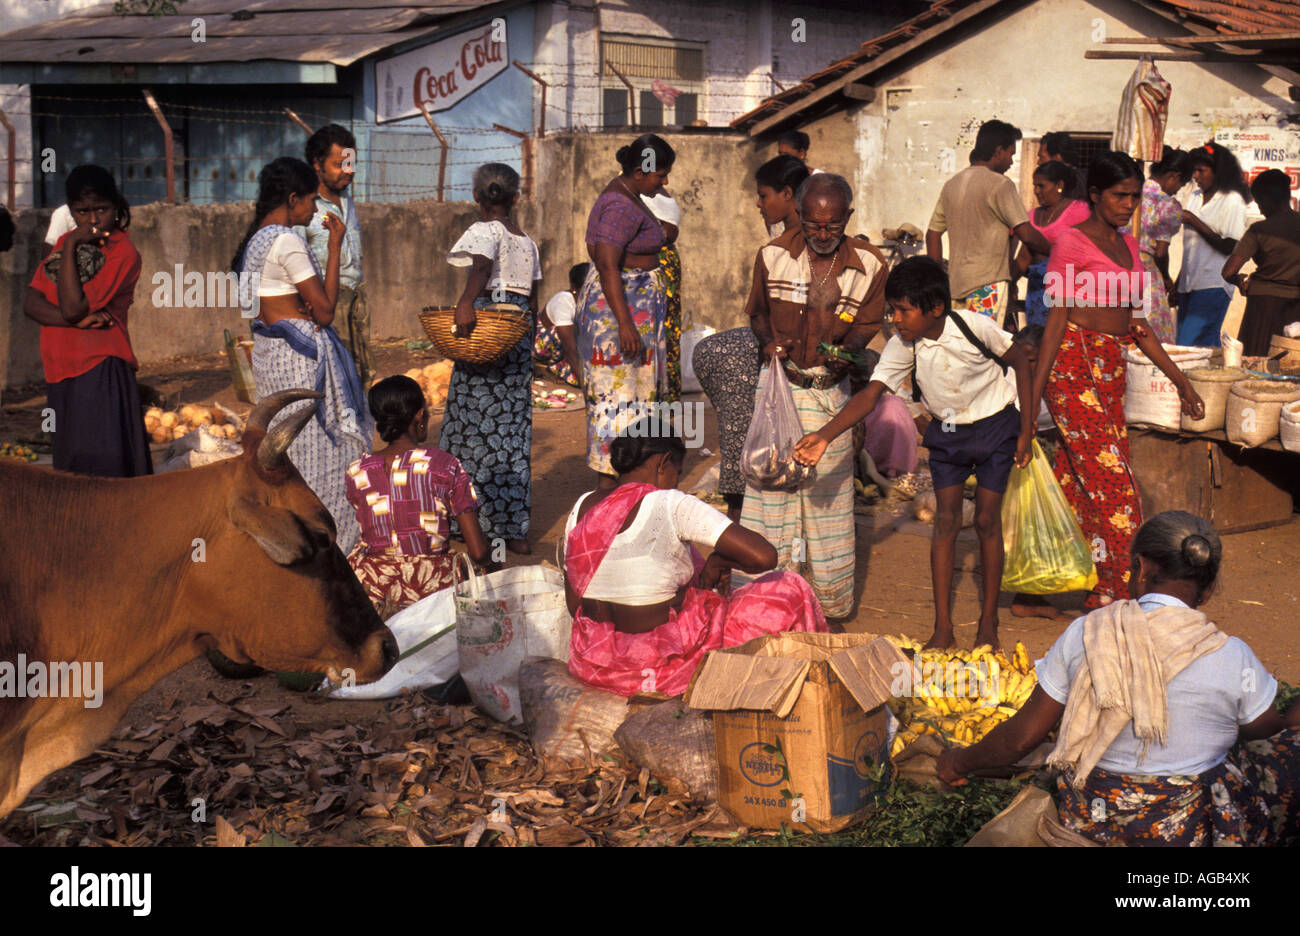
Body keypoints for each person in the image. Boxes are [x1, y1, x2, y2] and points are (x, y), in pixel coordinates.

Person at [937, 511, 1300, 846]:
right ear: (1207, 588)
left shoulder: (1087, 633)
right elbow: (1266, 730)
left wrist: (958, 762)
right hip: (1184, 829)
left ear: (1140, 568)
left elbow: (1020, 739)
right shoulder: (1232, 654)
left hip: (1094, 818)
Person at [795, 257, 1034, 649]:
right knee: (946, 522)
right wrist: (824, 435)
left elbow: (1021, 362)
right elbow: (871, 394)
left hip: (995, 427)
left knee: (989, 522)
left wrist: (1024, 431)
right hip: (948, 434)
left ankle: (987, 622)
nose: (896, 319)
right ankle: (943, 627)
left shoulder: (973, 326)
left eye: (904, 310)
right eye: (893, 310)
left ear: (935, 308)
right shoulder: (904, 345)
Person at [1032, 151, 1204, 610]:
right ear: (1094, 195)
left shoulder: (1128, 247)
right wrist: (1031, 406)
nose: (1128, 205)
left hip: (1110, 370)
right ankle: (1119, 591)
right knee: (1117, 489)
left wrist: (1181, 381)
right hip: (1072, 367)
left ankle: (1042, 588)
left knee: (1076, 481)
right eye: (1119, 195)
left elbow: (1138, 325)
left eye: (1133, 196)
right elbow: (1054, 324)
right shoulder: (1070, 243)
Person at [563, 418, 828, 697]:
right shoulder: (669, 502)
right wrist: (718, 561)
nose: (677, 482)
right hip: (657, 672)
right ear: (663, 463)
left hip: (593, 665)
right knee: (789, 586)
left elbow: (574, 605)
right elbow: (764, 557)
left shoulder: (582, 505)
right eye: (677, 473)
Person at [743, 173, 887, 618]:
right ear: (799, 217)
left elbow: (868, 323)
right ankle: (765, 602)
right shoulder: (771, 256)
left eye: (832, 225)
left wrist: (851, 351)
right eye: (813, 225)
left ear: (848, 218)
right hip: (781, 390)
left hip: (831, 399)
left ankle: (827, 606)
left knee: (828, 503)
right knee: (772, 497)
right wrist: (767, 341)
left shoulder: (871, 265)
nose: (823, 235)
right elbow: (758, 314)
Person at [233, 156, 373, 555]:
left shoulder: (254, 243)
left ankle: (294, 541)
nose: (315, 210)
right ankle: (339, 550)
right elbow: (325, 310)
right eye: (311, 201)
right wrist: (334, 248)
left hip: (272, 355)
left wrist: (302, 304)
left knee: (287, 451)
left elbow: (260, 306)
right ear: (292, 199)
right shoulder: (287, 240)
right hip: (303, 359)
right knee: (329, 456)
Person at [693, 154, 811, 521]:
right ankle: (738, 491)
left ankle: (740, 501)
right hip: (774, 340)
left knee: (729, 370)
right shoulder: (777, 241)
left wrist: (774, 344)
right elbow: (758, 311)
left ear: (788, 194)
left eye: (764, 196)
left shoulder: (797, 242)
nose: (758, 204)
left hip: (798, 346)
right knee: (717, 356)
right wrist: (765, 340)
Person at [22, 164, 150, 477]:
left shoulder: (123, 252)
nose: (92, 220)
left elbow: (74, 306)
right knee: (72, 473)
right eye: (82, 212)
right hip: (58, 369)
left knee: (106, 470)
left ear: (116, 206)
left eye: (101, 209)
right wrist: (74, 322)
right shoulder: (67, 244)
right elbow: (31, 303)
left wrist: (69, 248)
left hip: (99, 367)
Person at [441, 162, 541, 556]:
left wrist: (466, 302)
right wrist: (525, 335)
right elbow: (533, 296)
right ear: (515, 198)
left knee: (470, 427)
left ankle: (466, 524)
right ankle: (514, 530)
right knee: (512, 433)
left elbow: (481, 266)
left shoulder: (483, 230)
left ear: (476, 196)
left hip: (486, 328)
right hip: (516, 332)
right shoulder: (528, 241)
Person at [345, 376, 490, 615]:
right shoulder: (444, 465)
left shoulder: (356, 471)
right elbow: (479, 552)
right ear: (420, 415)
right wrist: (492, 563)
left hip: (371, 589)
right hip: (431, 590)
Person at [578, 133, 674, 485]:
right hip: (620, 314)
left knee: (632, 398)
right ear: (640, 170)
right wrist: (625, 324)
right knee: (617, 400)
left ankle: (630, 477)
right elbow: (607, 263)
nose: (664, 181)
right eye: (659, 174)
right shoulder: (620, 204)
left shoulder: (630, 196)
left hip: (633, 311)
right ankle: (609, 484)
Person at [927, 119, 1050, 328]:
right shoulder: (1000, 184)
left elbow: (932, 235)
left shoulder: (952, 184)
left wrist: (936, 278)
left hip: (955, 286)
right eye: (1011, 154)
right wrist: (1057, 250)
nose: (1011, 161)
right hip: (988, 286)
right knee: (984, 349)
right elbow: (1027, 234)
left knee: (961, 347)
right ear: (998, 151)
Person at [297, 123, 372, 388]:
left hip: (356, 301)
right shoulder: (304, 207)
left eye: (352, 164)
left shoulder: (347, 198)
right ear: (318, 164)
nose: (349, 172)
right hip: (324, 305)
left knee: (361, 377)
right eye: (340, 165)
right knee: (333, 381)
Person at [1176, 143, 1251, 347]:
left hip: (1213, 283)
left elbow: (1229, 246)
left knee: (1186, 345)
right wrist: (1177, 282)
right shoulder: (1193, 197)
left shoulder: (1231, 200)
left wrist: (1194, 221)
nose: (1196, 176)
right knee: (1202, 349)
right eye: (1194, 170)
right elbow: (1191, 249)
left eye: (1201, 170)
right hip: (1188, 284)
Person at [1222, 169, 1300, 356]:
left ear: (1265, 199)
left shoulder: (1260, 230)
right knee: (1290, 362)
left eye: (1259, 202)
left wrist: (1239, 281)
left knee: (1256, 359)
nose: (1260, 208)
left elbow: (1228, 271)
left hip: (1262, 306)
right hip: (1296, 306)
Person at [1015, 161, 1089, 328]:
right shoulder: (1032, 216)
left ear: (1059, 185)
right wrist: (1010, 283)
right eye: (1035, 186)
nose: (1036, 191)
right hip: (1036, 292)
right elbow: (1023, 257)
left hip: (1067, 292)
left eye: (1041, 185)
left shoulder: (1080, 211)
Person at [1132, 146, 1190, 344]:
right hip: (1146, 272)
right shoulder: (1167, 205)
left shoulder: (1130, 194)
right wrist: (1166, 278)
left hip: (1117, 267)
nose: (1176, 192)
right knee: (1152, 333)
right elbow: (1160, 252)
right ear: (1174, 176)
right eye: (1180, 186)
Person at [643, 189, 684, 402]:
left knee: (662, 327)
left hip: (659, 261)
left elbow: (669, 231)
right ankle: (663, 393)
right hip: (660, 260)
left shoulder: (653, 196)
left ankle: (662, 393)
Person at [534, 262, 588, 387]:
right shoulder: (564, 301)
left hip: (569, 348)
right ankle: (549, 367)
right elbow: (569, 347)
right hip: (544, 348)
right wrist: (584, 385)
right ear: (574, 288)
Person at [1036, 131, 1085, 197]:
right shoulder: (1081, 178)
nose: (1038, 163)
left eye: (1042, 157)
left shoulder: (1072, 183)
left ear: (1057, 157)